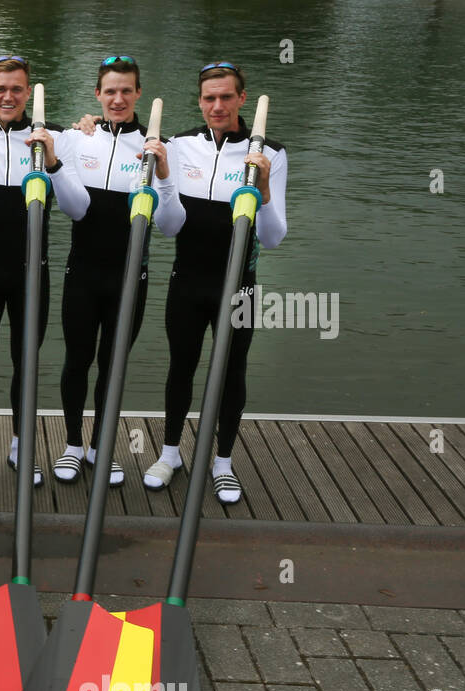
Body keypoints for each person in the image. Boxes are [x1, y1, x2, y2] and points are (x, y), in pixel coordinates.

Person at [146, 61, 288, 504]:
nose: (218, 105)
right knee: (181, 368)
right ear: (200, 101)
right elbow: (168, 227)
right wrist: (165, 175)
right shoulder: (180, 145)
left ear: (242, 99)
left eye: (227, 97)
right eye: (209, 98)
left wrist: (262, 189)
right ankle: (170, 454)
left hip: (239, 285)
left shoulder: (272, 153)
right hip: (186, 281)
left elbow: (274, 236)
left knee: (231, 372)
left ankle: (223, 462)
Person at [0, 57, 90, 488]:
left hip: (32, 275)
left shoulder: (55, 138)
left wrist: (51, 160)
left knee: (24, 362)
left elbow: (79, 209)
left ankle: (19, 446)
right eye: (0, 89)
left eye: (16, 89)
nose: (8, 96)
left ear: (28, 93)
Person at [54, 56, 181, 486]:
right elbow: (70, 203)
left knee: (112, 366)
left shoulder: (159, 145)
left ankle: (101, 446)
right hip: (82, 274)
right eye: (110, 91)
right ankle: (73, 445)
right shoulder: (76, 138)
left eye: (127, 90)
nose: (118, 98)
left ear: (138, 94)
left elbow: (171, 225)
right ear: (97, 95)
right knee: (77, 360)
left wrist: (162, 172)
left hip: (131, 278)